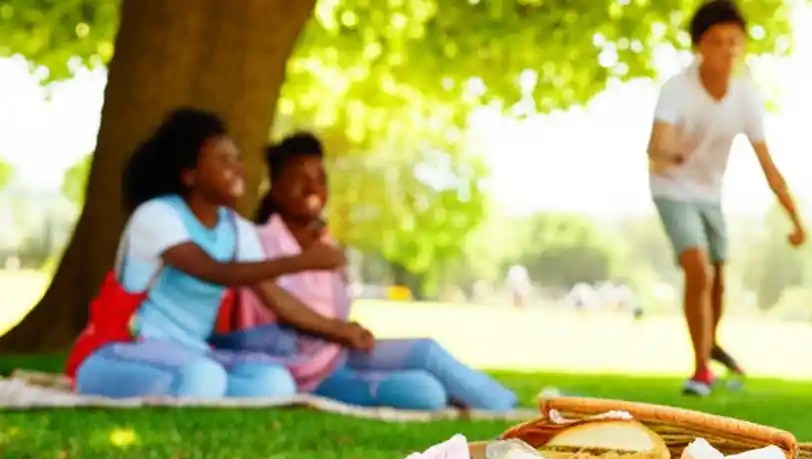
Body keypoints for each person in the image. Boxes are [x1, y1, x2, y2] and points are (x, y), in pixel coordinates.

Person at [74, 108, 363, 399]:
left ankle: (193, 384)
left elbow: (275, 297)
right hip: (123, 350)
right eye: (224, 161)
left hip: (193, 353)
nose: (238, 169)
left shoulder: (237, 230)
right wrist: (302, 262)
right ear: (189, 175)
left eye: (238, 159)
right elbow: (213, 271)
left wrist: (338, 330)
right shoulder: (157, 215)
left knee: (275, 383)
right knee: (203, 378)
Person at [219, 132, 517, 412]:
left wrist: (348, 330)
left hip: (341, 352)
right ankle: (496, 411)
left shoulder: (325, 244)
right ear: (276, 188)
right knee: (425, 391)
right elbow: (281, 306)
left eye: (320, 179)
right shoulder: (261, 242)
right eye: (300, 179)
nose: (313, 188)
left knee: (426, 351)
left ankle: (514, 413)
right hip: (301, 370)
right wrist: (340, 329)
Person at [648, 0, 805, 397]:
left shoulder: (745, 97)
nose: (729, 50)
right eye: (719, 42)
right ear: (701, 47)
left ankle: (709, 344)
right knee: (699, 269)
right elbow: (655, 147)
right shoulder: (677, 90)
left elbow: (768, 165)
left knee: (717, 278)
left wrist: (796, 219)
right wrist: (669, 155)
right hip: (671, 188)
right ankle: (701, 370)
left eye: (736, 42)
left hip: (709, 194)